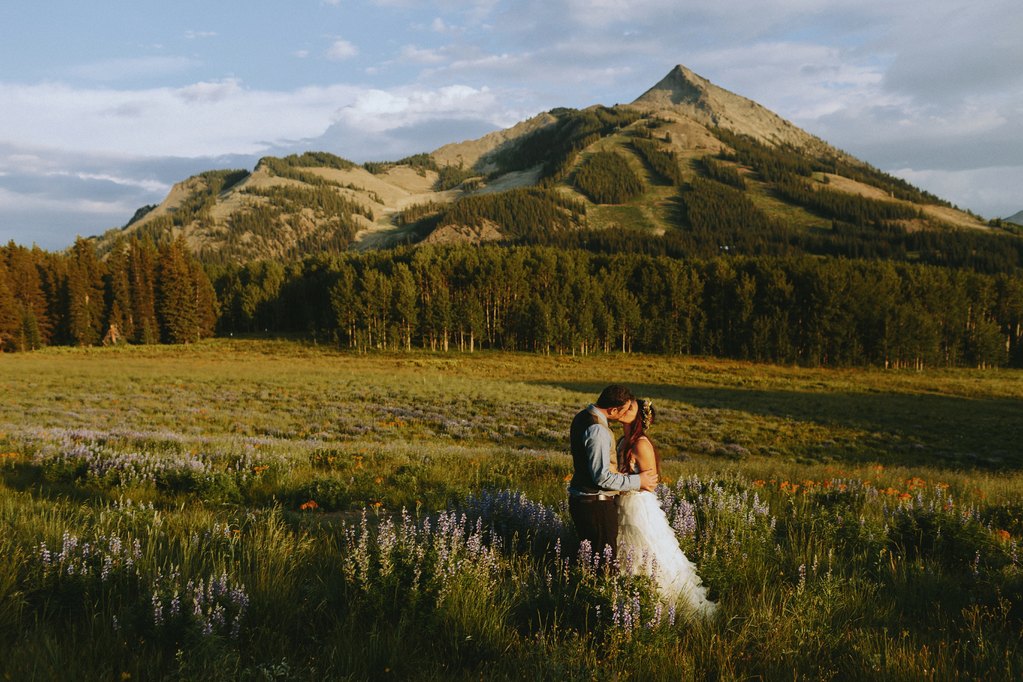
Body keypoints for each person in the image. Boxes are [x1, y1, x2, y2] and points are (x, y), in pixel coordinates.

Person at [617, 398, 718, 619]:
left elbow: (651, 481)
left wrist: (624, 484)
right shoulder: (621, 440)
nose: (624, 409)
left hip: (637, 506)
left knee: (648, 552)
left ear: (639, 418)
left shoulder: (640, 443)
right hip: (619, 503)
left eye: (630, 407)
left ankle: (661, 605)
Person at [568, 385, 658, 564]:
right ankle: (601, 590)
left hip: (607, 502)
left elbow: (651, 480)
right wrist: (637, 480)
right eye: (627, 407)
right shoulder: (599, 430)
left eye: (631, 408)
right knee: (604, 563)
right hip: (595, 503)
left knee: (601, 559)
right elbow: (601, 476)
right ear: (614, 409)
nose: (628, 409)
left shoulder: (582, 417)